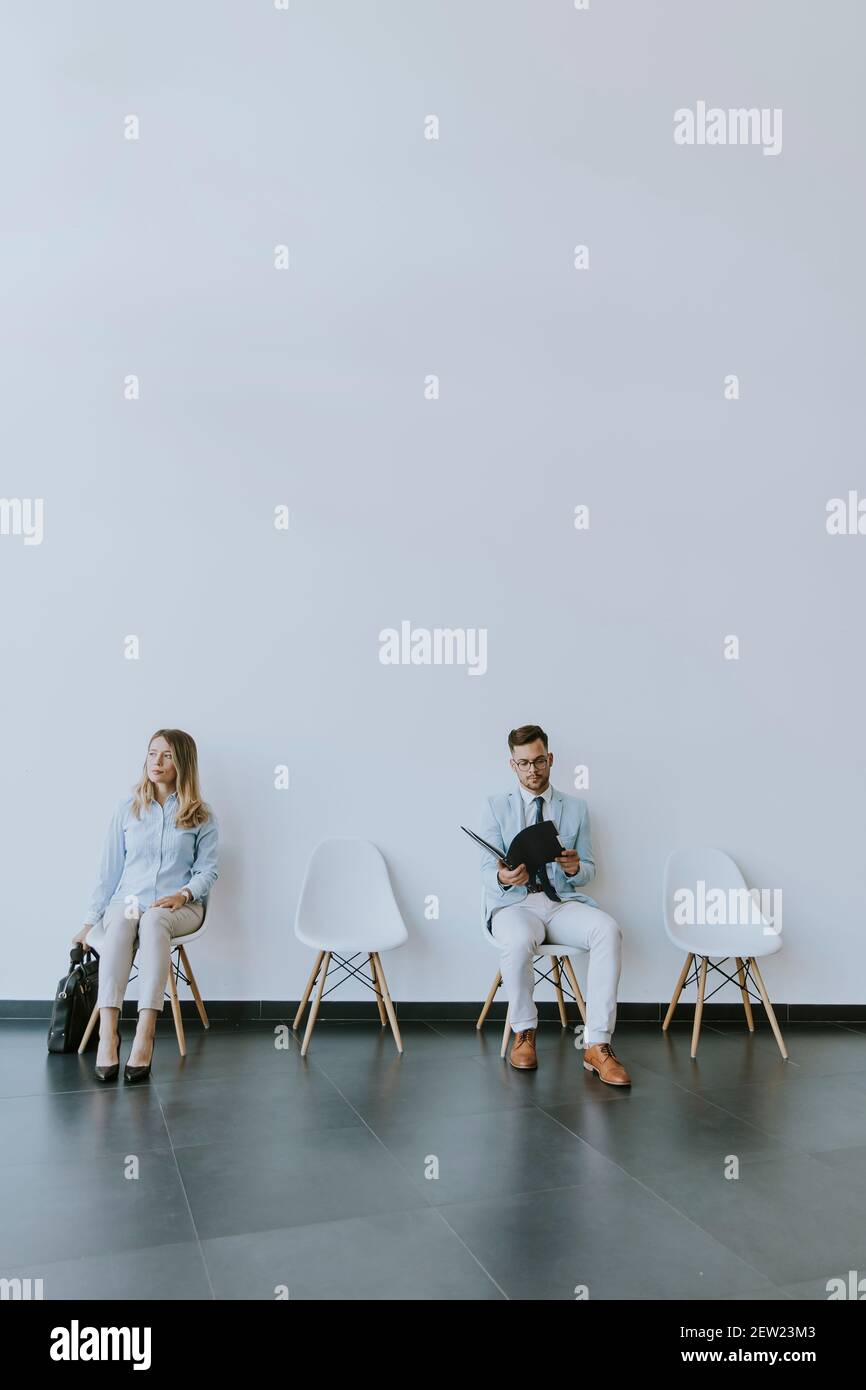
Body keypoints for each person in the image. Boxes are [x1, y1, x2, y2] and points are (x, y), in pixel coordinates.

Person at [480, 724, 630, 1085]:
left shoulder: (576, 808)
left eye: (539, 761)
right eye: (524, 763)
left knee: (607, 929)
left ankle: (597, 1044)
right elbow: (486, 870)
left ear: (551, 759)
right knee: (517, 940)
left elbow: (589, 868)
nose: (533, 770)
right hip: (514, 906)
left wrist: (576, 868)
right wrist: (504, 877)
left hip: (560, 902)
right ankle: (525, 1032)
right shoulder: (495, 806)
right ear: (512, 765)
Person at [73, 728, 219, 1084]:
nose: (157, 762)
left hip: (179, 906)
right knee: (124, 922)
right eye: (153, 753)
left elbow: (208, 870)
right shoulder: (128, 809)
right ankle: (109, 1034)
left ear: (182, 762)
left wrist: (183, 894)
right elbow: (109, 873)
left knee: (154, 922)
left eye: (167, 755)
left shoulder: (201, 814)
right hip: (129, 901)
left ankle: (146, 1032)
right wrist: (90, 921)